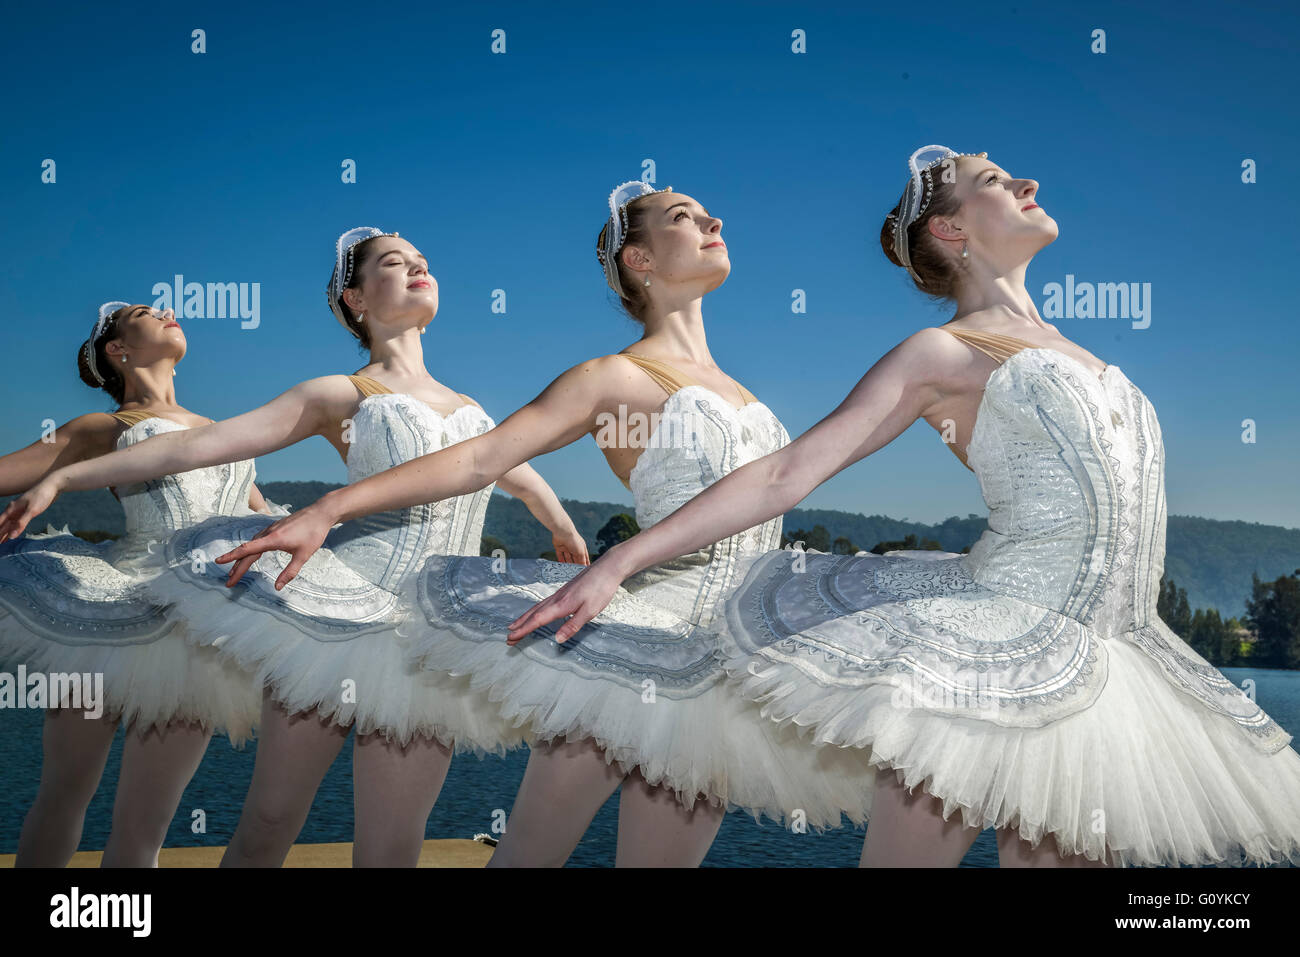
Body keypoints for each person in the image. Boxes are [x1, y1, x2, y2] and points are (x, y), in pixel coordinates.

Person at [506, 146, 1300, 868]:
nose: (1027, 182)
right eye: (995, 180)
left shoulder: (1085, 353)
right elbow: (787, 474)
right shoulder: (942, 354)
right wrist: (622, 559)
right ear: (951, 230)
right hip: (988, 644)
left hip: (1116, 660)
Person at [189, 183, 873, 867]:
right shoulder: (609, 376)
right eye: (683, 218)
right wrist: (328, 507)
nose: (713, 220)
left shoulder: (748, 396)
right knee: (527, 857)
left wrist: (559, 522)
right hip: (628, 649)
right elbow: (484, 457)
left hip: (730, 652)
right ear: (640, 258)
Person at [0, 233, 585, 866]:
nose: (418, 266)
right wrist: (61, 477)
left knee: (393, 843)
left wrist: (563, 526)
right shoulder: (336, 393)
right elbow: (192, 449)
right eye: (394, 262)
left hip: (434, 628)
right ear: (355, 299)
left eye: (423, 260)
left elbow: (504, 467)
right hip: (330, 621)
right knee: (273, 815)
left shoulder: (472, 410)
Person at [0, 301, 270, 866]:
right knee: (64, 793)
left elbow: (261, 518)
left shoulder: (224, 434)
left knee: (146, 825)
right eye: (148, 312)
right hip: (102, 618)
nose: (170, 310)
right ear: (117, 351)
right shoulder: (103, 428)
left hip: (199, 629)